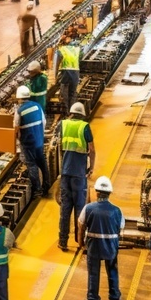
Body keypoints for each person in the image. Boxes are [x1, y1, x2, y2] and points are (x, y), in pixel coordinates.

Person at [77, 176, 125, 300]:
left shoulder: (88, 208)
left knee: (93, 274)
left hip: (94, 247)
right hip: (111, 248)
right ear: (110, 193)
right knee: (112, 272)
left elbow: (81, 226)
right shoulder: (117, 211)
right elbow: (120, 228)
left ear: (97, 193)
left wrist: (81, 243)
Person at [57, 102, 95, 252]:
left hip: (65, 173)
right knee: (80, 209)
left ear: (71, 113)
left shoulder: (63, 124)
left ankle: (63, 241)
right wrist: (91, 167)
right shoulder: (85, 127)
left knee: (65, 209)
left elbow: (59, 146)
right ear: (82, 115)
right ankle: (80, 242)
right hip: (79, 174)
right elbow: (92, 149)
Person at [14, 86, 50, 198]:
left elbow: (16, 129)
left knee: (32, 164)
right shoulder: (37, 106)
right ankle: (47, 185)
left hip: (28, 143)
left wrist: (17, 141)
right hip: (39, 140)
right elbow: (44, 122)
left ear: (19, 98)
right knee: (42, 162)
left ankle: (37, 190)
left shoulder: (19, 111)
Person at [56, 41, 81, 113]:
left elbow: (57, 63)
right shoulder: (77, 49)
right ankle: (72, 110)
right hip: (75, 72)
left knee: (64, 92)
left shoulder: (61, 49)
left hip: (66, 72)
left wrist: (56, 74)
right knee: (72, 92)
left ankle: (66, 111)